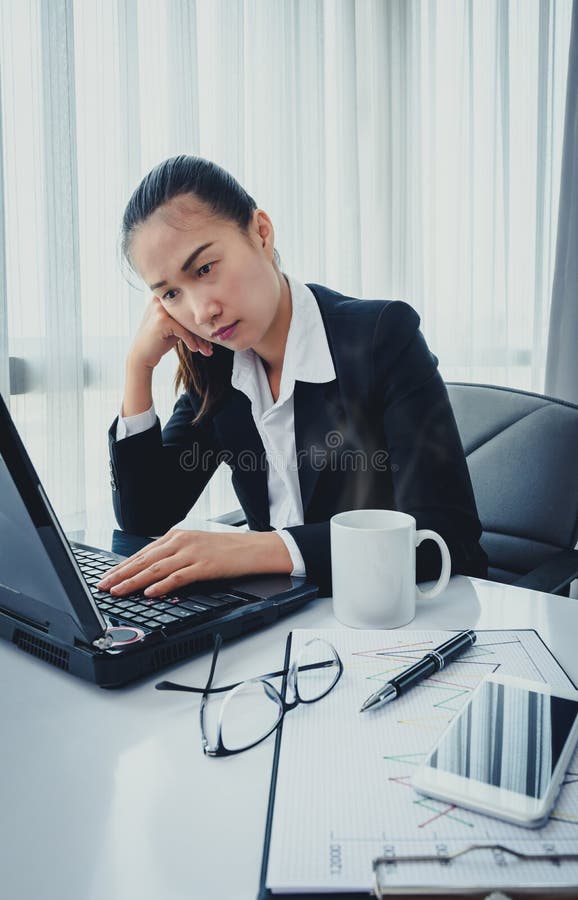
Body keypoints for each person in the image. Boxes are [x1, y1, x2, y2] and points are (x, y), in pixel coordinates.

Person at [98, 154, 487, 600]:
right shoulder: (218, 367)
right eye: (171, 293)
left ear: (261, 232)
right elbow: (145, 518)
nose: (201, 311)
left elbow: (445, 535)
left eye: (205, 269)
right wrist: (137, 369)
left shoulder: (383, 335)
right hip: (290, 620)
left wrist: (252, 550)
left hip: (409, 613)